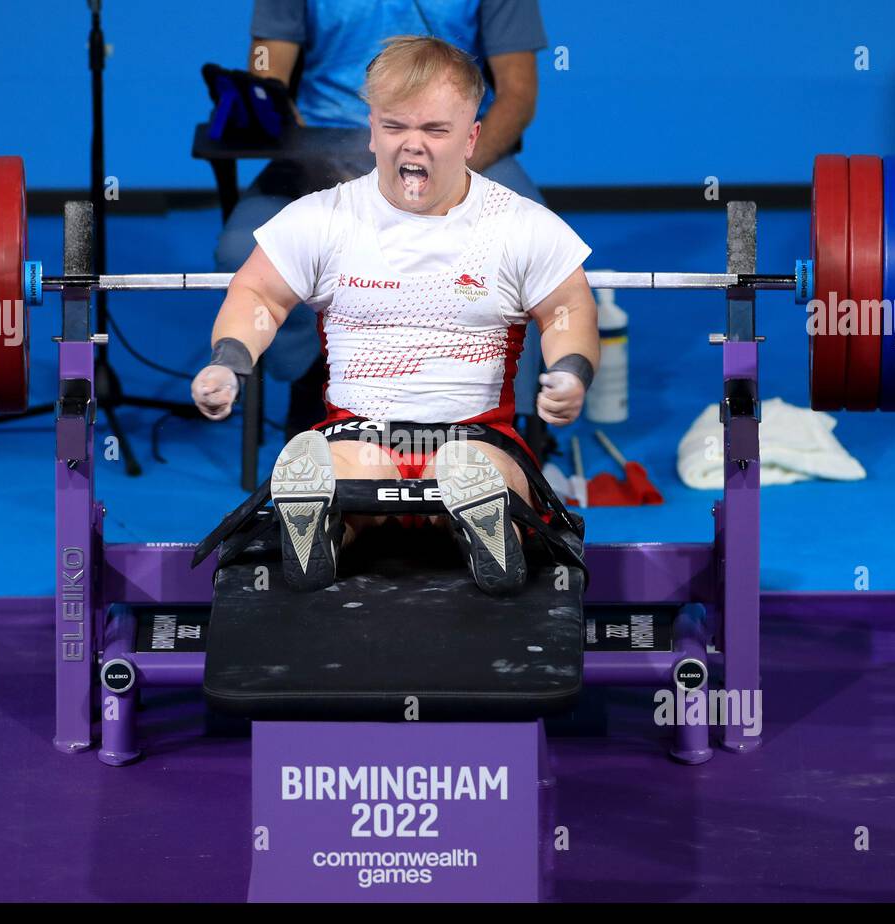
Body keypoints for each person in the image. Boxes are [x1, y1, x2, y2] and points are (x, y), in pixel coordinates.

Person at [192, 36, 597, 597]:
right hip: (362, 434)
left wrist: (572, 370)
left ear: (472, 137)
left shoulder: (519, 225)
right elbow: (259, 297)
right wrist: (229, 362)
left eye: (435, 130)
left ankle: (485, 526)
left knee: (476, 471)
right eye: (395, 127)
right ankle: (324, 528)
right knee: (343, 471)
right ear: (372, 129)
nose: (414, 146)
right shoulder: (324, 217)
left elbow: (568, 308)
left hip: (474, 435)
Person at [214, 0, 554, 436]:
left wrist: (454, 170)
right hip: (324, 146)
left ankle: (507, 420)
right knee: (240, 247)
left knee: (527, 244)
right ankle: (317, 368)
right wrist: (302, 148)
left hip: (452, 149)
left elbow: (518, 94)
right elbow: (266, 73)